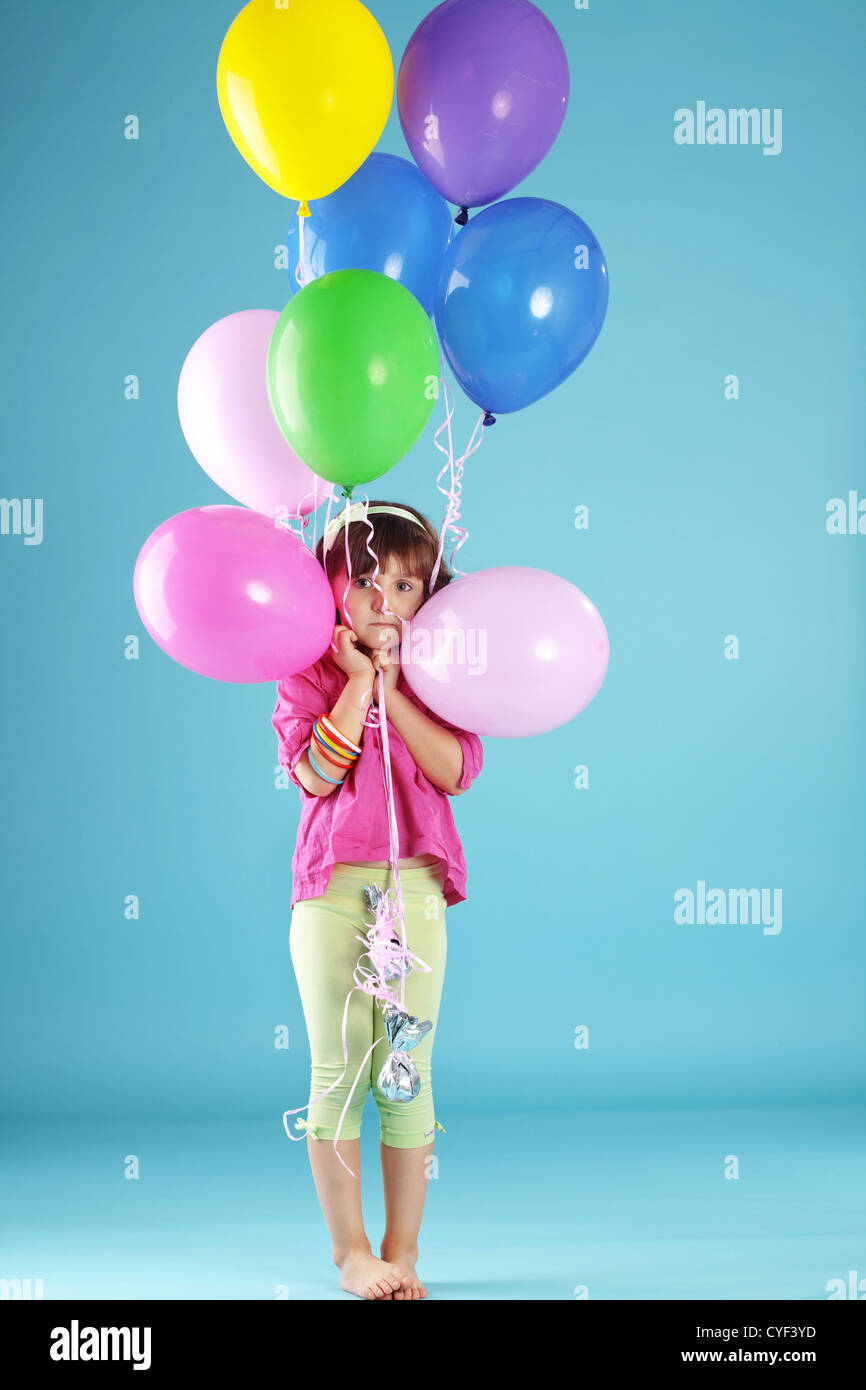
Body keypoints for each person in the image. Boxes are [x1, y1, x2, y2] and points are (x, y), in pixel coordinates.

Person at [271, 499, 483, 1300]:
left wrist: (394, 686)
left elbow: (456, 770)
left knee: (407, 1069)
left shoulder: (441, 677)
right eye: (365, 579)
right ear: (329, 588)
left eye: (404, 583)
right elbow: (314, 774)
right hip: (331, 893)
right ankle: (351, 1253)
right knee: (340, 1068)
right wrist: (357, 681)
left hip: (415, 893)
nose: (384, 600)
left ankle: (404, 1247)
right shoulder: (306, 674)